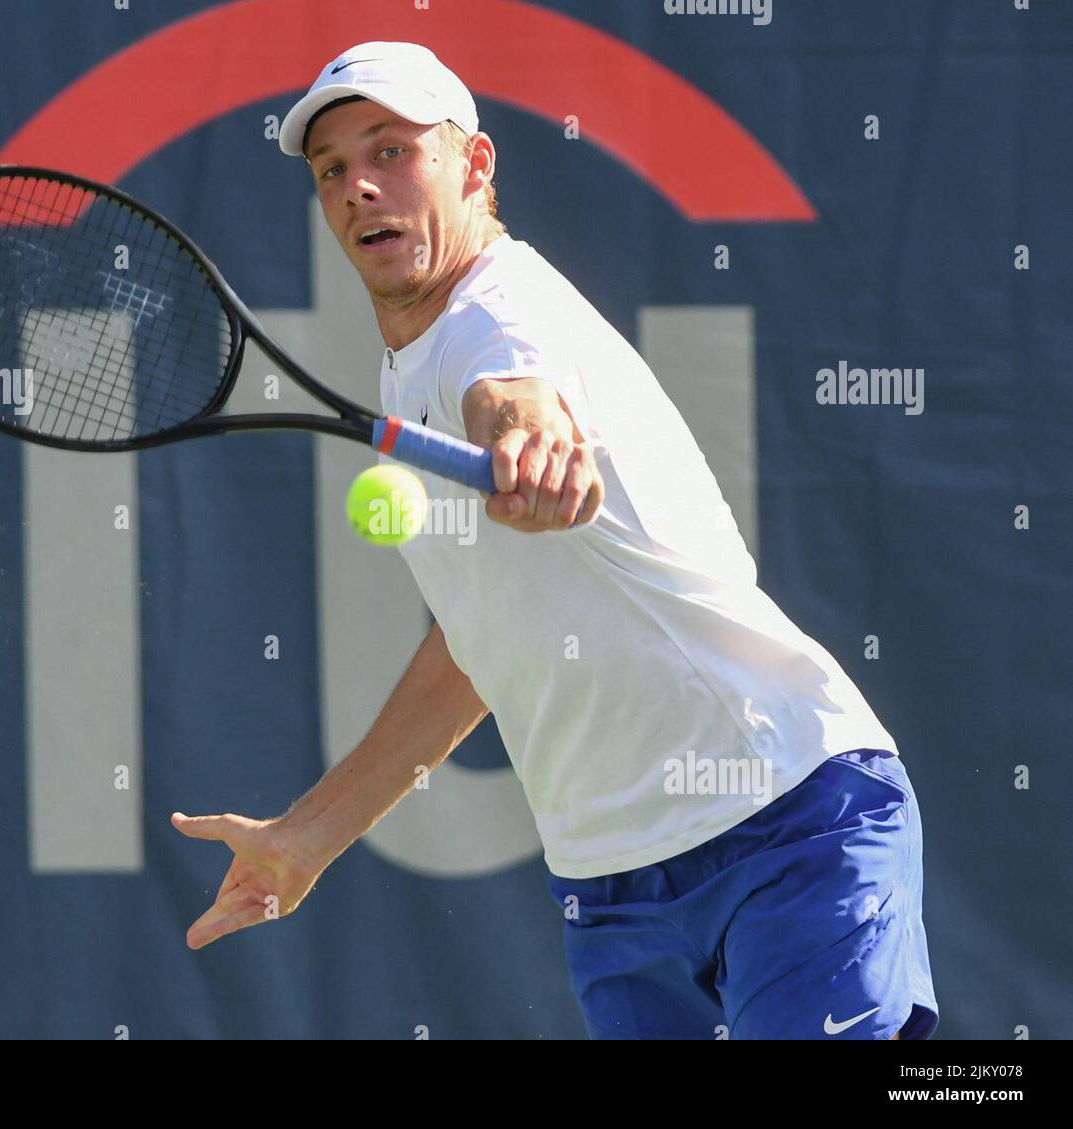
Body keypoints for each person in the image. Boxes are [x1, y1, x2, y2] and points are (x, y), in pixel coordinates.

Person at [171, 41, 938, 1040]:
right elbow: (478, 644)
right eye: (332, 168)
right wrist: (308, 835)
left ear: (475, 165)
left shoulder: (501, 310)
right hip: (610, 889)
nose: (359, 185)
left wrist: (533, 445)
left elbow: (516, 394)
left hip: (785, 820)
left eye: (393, 150)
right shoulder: (409, 367)